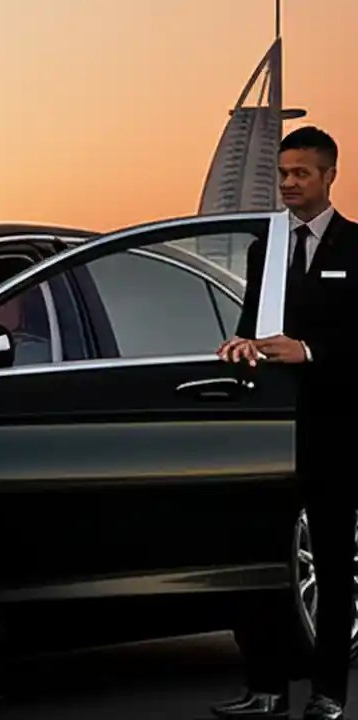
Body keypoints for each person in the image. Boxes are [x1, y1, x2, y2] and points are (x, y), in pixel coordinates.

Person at [212, 126, 358, 720]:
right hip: (268, 428)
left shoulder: (356, 246)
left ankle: (327, 693)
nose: (290, 183)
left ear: (329, 176)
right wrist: (240, 345)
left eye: (301, 173)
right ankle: (265, 688)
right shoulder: (263, 249)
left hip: (334, 428)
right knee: (261, 556)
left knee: (330, 562)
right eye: (284, 173)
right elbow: (254, 322)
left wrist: (313, 352)